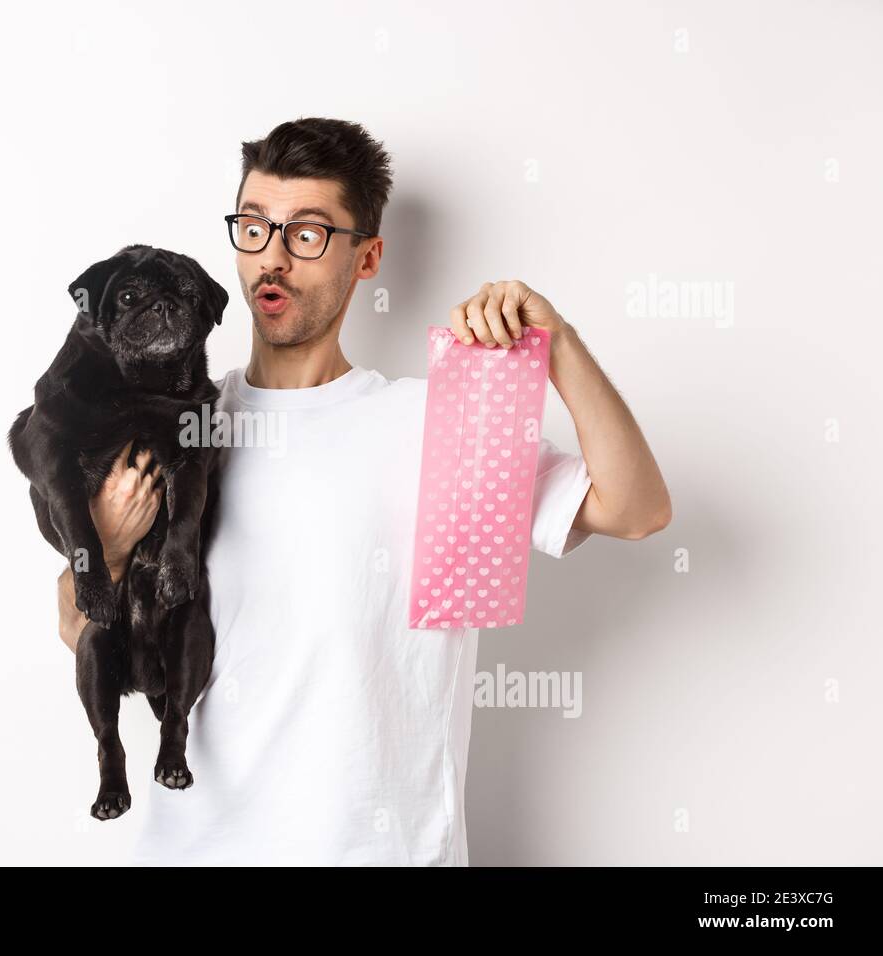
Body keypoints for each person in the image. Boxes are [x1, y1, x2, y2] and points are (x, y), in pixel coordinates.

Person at [55, 117, 671, 865]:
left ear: (368, 256)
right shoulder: (177, 429)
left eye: (307, 234)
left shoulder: (434, 423)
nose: (272, 259)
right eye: (254, 228)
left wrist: (559, 345)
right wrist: (111, 546)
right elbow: (78, 622)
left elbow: (635, 510)